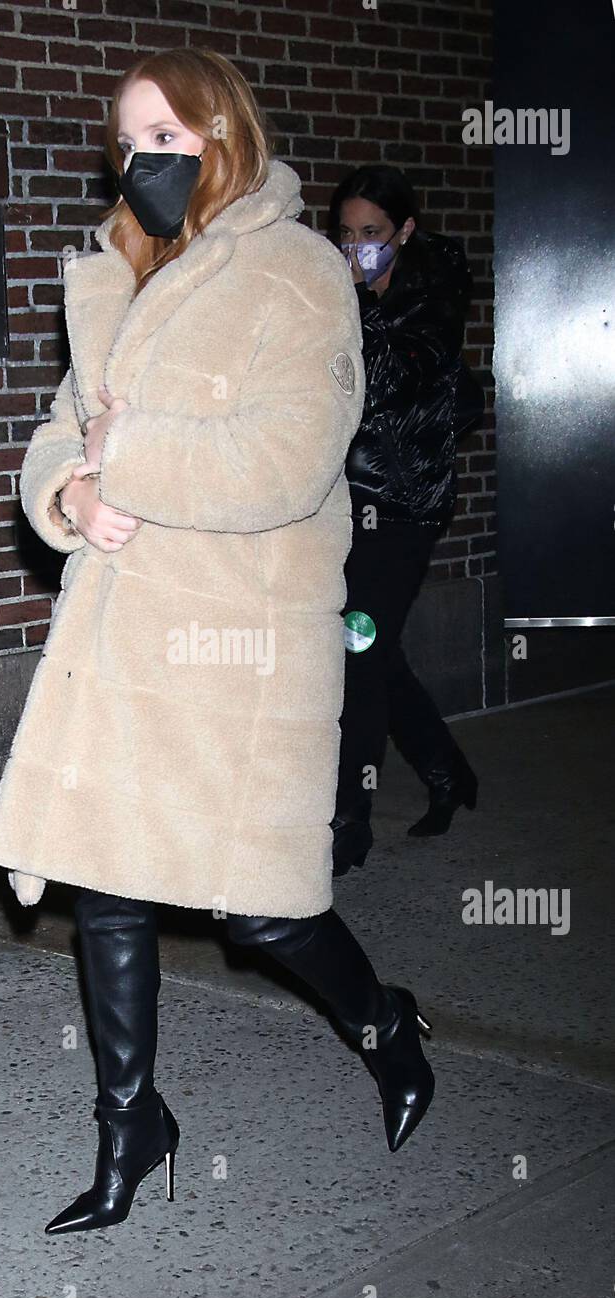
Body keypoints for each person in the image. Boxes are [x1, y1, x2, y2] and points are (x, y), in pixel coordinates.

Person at [0, 49, 434, 1234]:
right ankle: (131, 1122)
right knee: (109, 884)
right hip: (126, 636)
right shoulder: (117, 269)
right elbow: (57, 437)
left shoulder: (296, 274)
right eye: (130, 141)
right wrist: (68, 499)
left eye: (168, 135)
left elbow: (285, 463)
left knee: (261, 904)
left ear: (223, 130)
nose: (147, 160)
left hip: (238, 648)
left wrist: (121, 455)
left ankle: (387, 1025)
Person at [326, 165, 480, 875]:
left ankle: (349, 823)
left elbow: (382, 381)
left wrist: (352, 305)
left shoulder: (433, 300)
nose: (358, 248)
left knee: (358, 653)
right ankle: (448, 771)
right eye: (348, 233)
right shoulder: (338, 293)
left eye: (373, 234)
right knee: (371, 650)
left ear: (404, 233)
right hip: (345, 503)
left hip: (406, 506)